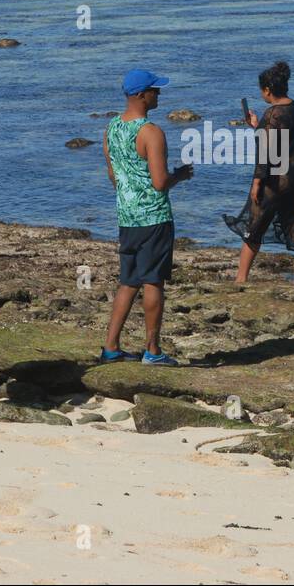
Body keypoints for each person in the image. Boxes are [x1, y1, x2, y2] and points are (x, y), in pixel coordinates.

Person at [101, 68, 193, 365]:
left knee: (128, 282)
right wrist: (180, 175)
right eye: (155, 90)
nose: (159, 94)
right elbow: (159, 182)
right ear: (141, 95)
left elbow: (114, 176)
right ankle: (152, 351)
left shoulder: (112, 128)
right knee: (153, 282)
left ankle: (110, 347)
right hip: (154, 217)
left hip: (127, 217)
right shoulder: (151, 132)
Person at [223, 61, 294, 288]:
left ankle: (241, 278)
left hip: (278, 177)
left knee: (254, 224)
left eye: (262, 90)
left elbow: (266, 153)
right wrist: (256, 126)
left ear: (267, 90)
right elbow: (282, 141)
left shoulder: (273, 113)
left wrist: (257, 182)